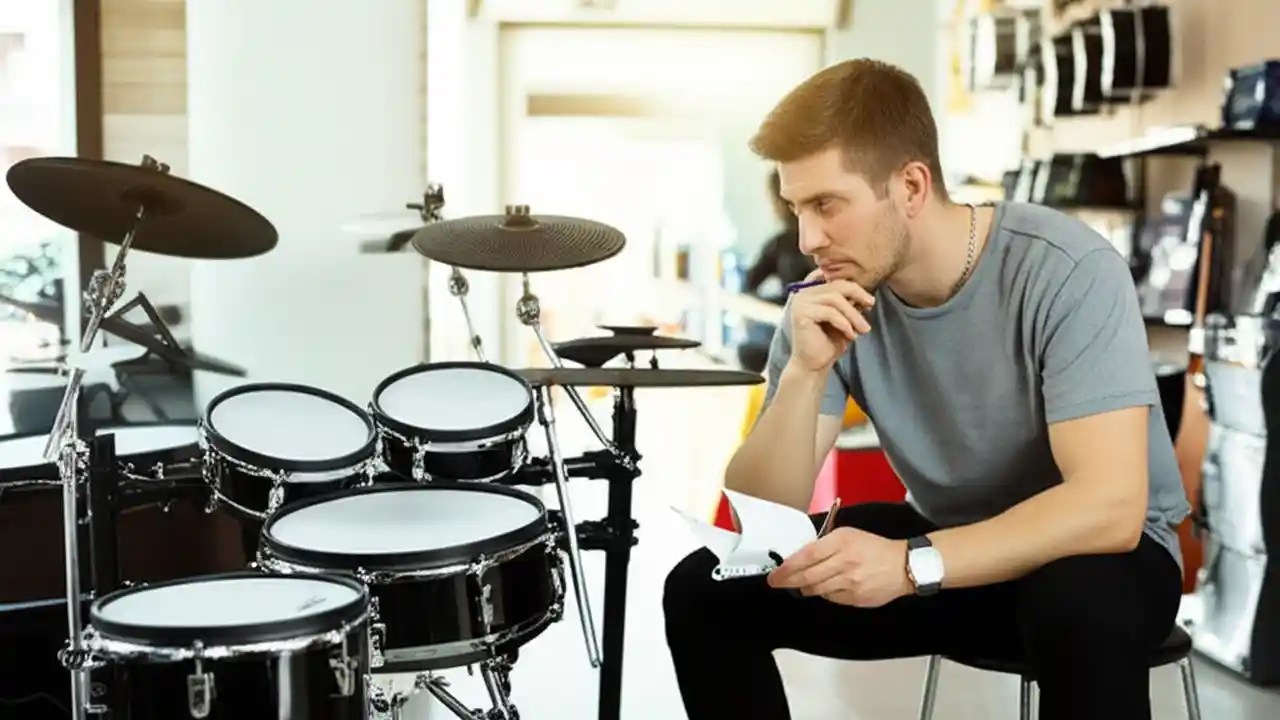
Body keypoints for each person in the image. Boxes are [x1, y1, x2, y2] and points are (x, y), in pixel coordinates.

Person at [663, 58, 1189, 720]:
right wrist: (803, 374)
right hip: (949, 542)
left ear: (911, 185)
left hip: (1099, 558)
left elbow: (1108, 507)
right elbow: (758, 522)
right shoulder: (828, 296)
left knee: (1077, 606)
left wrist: (913, 566)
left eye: (827, 205)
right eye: (797, 209)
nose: (807, 239)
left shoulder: (1068, 270)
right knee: (705, 592)